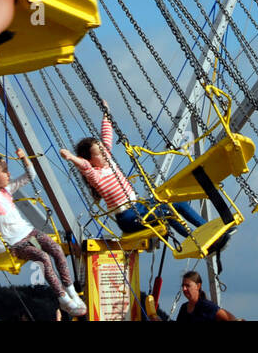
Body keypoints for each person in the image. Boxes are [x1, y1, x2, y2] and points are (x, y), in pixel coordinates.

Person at [60, 101, 223, 251]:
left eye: (103, 150)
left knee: (174, 207)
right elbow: (85, 167)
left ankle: (203, 236)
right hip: (128, 217)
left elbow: (107, 135)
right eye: (99, 153)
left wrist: (106, 113)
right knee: (171, 210)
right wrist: (72, 158)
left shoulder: (107, 159)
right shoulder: (96, 175)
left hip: (139, 207)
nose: (104, 153)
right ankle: (203, 238)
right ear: (90, 160)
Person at [0, 149, 86, 317]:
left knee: (56, 249)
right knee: (43, 258)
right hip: (15, 244)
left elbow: (30, 176)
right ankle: (63, 298)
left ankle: (70, 290)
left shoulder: (6, 190)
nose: (9, 174)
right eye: (5, 171)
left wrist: (24, 159)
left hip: (30, 231)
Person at [175, 270, 241, 322]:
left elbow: (231, 318)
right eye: (183, 286)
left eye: (187, 286)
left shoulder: (207, 306)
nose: (184, 289)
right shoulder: (184, 308)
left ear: (198, 286)